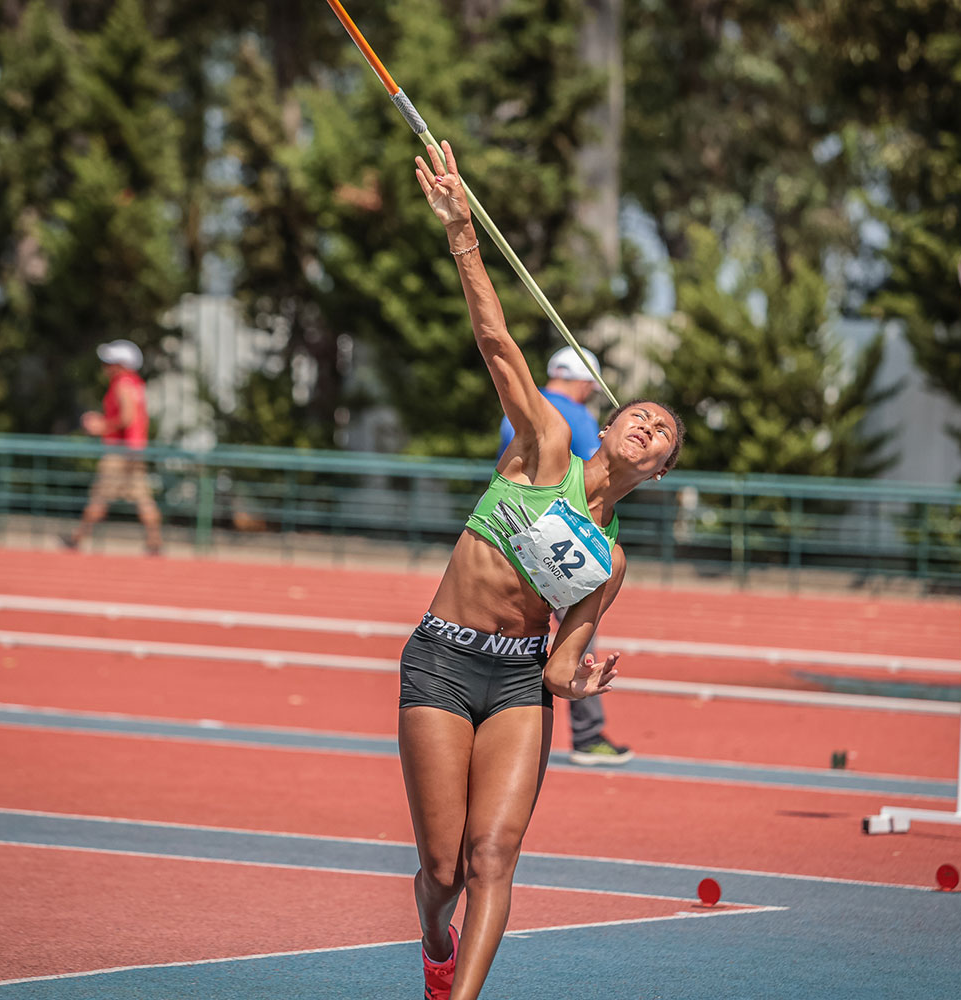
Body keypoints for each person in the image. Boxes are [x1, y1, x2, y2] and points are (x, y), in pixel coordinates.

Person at [402, 140, 685, 1000]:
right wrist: (462, 234)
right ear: (610, 427)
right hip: (443, 663)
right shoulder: (546, 448)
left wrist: (580, 673)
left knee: (495, 855)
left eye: (665, 430)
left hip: (519, 685)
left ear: (662, 470)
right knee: (444, 868)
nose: (649, 424)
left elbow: (562, 667)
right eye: (641, 413)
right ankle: (433, 938)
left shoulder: (611, 562)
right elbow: (495, 339)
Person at [499, 346, 635, 766]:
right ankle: (587, 733)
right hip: (562, 536)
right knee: (576, 632)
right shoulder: (577, 417)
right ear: (583, 380)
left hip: (513, 525)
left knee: (511, 623)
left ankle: (498, 722)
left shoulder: (522, 409)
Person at [62, 339, 162, 555]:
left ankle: (76, 539)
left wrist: (101, 426)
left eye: (109, 362)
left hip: (120, 451)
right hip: (135, 450)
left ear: (122, 364)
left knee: (100, 496)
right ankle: (155, 543)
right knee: (143, 498)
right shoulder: (135, 383)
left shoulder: (122, 383)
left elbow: (127, 417)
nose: (105, 367)